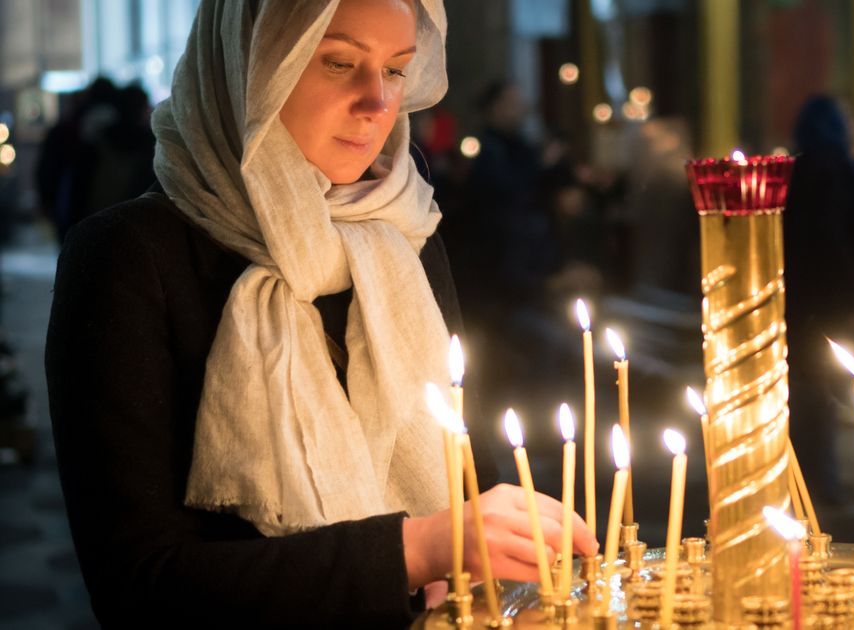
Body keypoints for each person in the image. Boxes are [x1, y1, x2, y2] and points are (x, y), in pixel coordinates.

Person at [44, 0, 596, 625]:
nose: (379, 103)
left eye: (395, 70)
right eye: (339, 63)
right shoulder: (129, 256)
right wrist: (418, 549)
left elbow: (467, 474)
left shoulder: (403, 230)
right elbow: (139, 586)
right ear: (248, 69)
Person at [784, 95, 854, 503]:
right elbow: (847, 242)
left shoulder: (796, 171)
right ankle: (822, 483)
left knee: (808, 392)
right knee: (825, 394)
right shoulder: (842, 172)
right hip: (833, 304)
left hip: (800, 303)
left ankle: (805, 479)